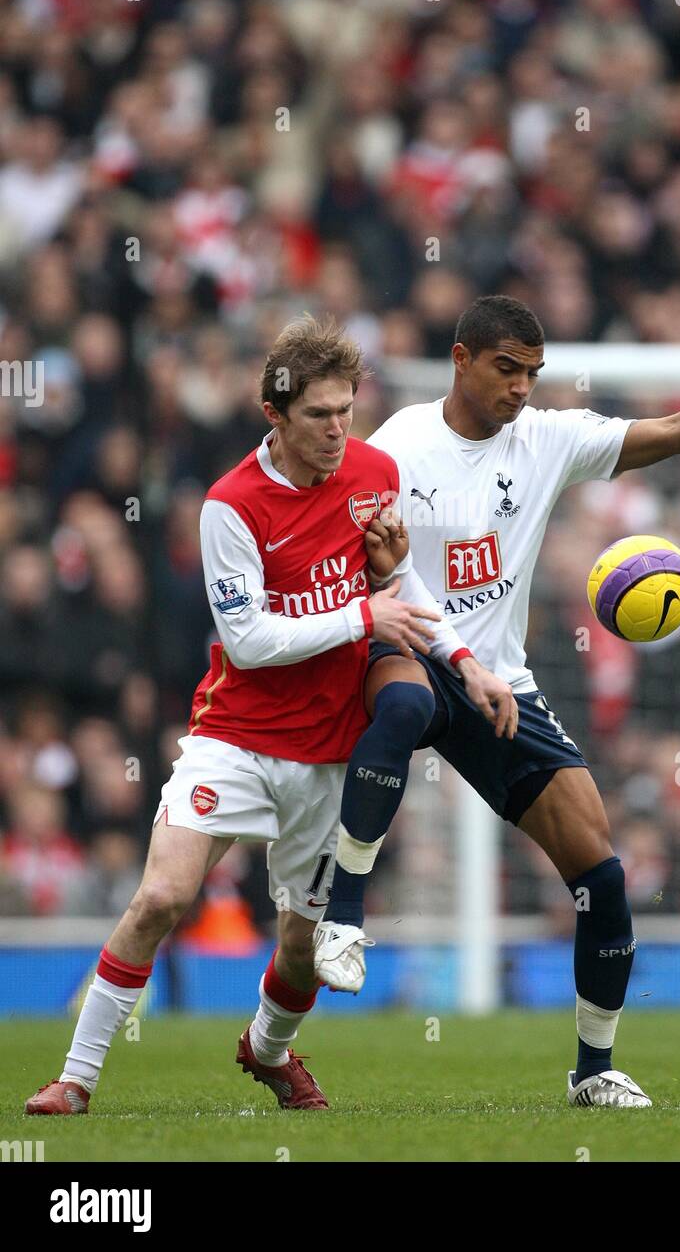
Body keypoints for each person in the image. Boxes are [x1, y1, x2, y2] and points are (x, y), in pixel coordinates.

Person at [313, 294, 680, 1110]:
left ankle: (592, 1070)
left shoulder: (548, 440)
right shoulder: (398, 448)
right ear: (460, 360)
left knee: (601, 874)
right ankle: (343, 913)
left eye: (532, 373)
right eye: (505, 369)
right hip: (409, 649)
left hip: (501, 682)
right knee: (405, 710)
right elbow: (364, 553)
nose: (522, 388)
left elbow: (667, 435)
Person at [25, 315, 515, 1116]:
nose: (335, 429)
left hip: (329, 755)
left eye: (345, 410)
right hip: (238, 739)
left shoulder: (375, 473)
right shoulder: (230, 505)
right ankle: (75, 1080)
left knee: (300, 944)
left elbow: (404, 585)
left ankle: (268, 1050)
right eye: (318, 415)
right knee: (160, 897)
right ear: (274, 416)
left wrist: (467, 663)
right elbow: (249, 641)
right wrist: (363, 618)